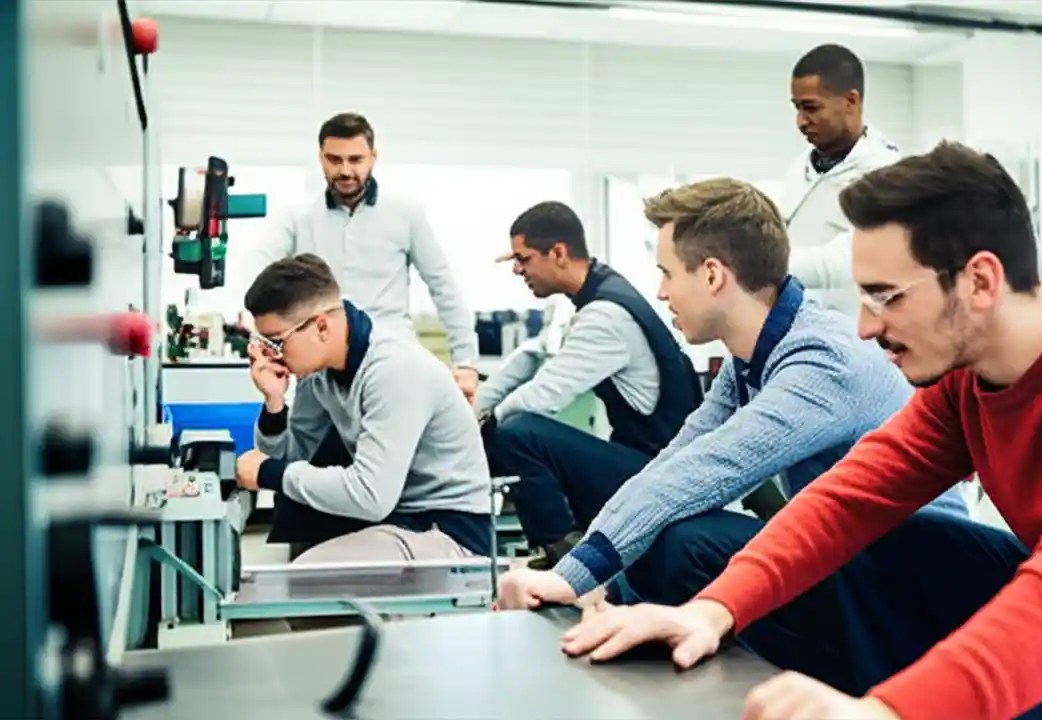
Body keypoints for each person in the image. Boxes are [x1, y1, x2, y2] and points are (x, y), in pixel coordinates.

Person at [555, 143, 1042, 720]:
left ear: (980, 282)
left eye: (886, 297)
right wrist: (713, 610)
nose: (865, 327)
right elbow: (846, 500)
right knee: (888, 542)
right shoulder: (968, 384)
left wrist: (893, 711)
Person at [496, 178, 969, 611]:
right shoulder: (754, 357)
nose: (661, 292)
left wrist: (573, 577)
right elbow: (679, 457)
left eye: (667, 273)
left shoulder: (822, 359)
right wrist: (586, 575)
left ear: (712, 275)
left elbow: (709, 472)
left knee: (683, 540)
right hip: (855, 554)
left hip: (910, 579)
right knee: (664, 526)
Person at [478, 200, 703, 569]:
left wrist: (482, 429)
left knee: (517, 432)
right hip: (649, 462)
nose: (517, 269)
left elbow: (542, 397)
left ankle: (559, 558)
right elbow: (535, 354)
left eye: (523, 259)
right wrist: (477, 409)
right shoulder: (597, 293)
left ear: (558, 253)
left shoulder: (605, 316)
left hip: (657, 475)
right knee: (511, 427)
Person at [234, 253, 492, 562]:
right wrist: (274, 404)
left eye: (277, 342)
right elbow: (291, 461)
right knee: (296, 541)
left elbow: (371, 495)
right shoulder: (319, 372)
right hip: (396, 516)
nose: (272, 355)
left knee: (308, 574)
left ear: (321, 327)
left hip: (447, 529)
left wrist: (268, 472)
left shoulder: (394, 370)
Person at [245, 112, 481, 401]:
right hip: (321, 366)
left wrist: (466, 361)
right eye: (334, 160)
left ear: (373, 157)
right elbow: (256, 268)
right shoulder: (298, 216)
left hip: (391, 360)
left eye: (355, 159)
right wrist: (261, 338)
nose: (345, 170)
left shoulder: (406, 213)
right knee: (300, 431)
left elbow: (443, 286)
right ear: (321, 158)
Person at [782, 43, 901, 316]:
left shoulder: (887, 174)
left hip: (853, 332)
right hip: (797, 323)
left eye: (811, 108)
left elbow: (853, 258)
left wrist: (758, 266)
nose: (801, 121)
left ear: (851, 101)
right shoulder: (800, 168)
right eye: (797, 108)